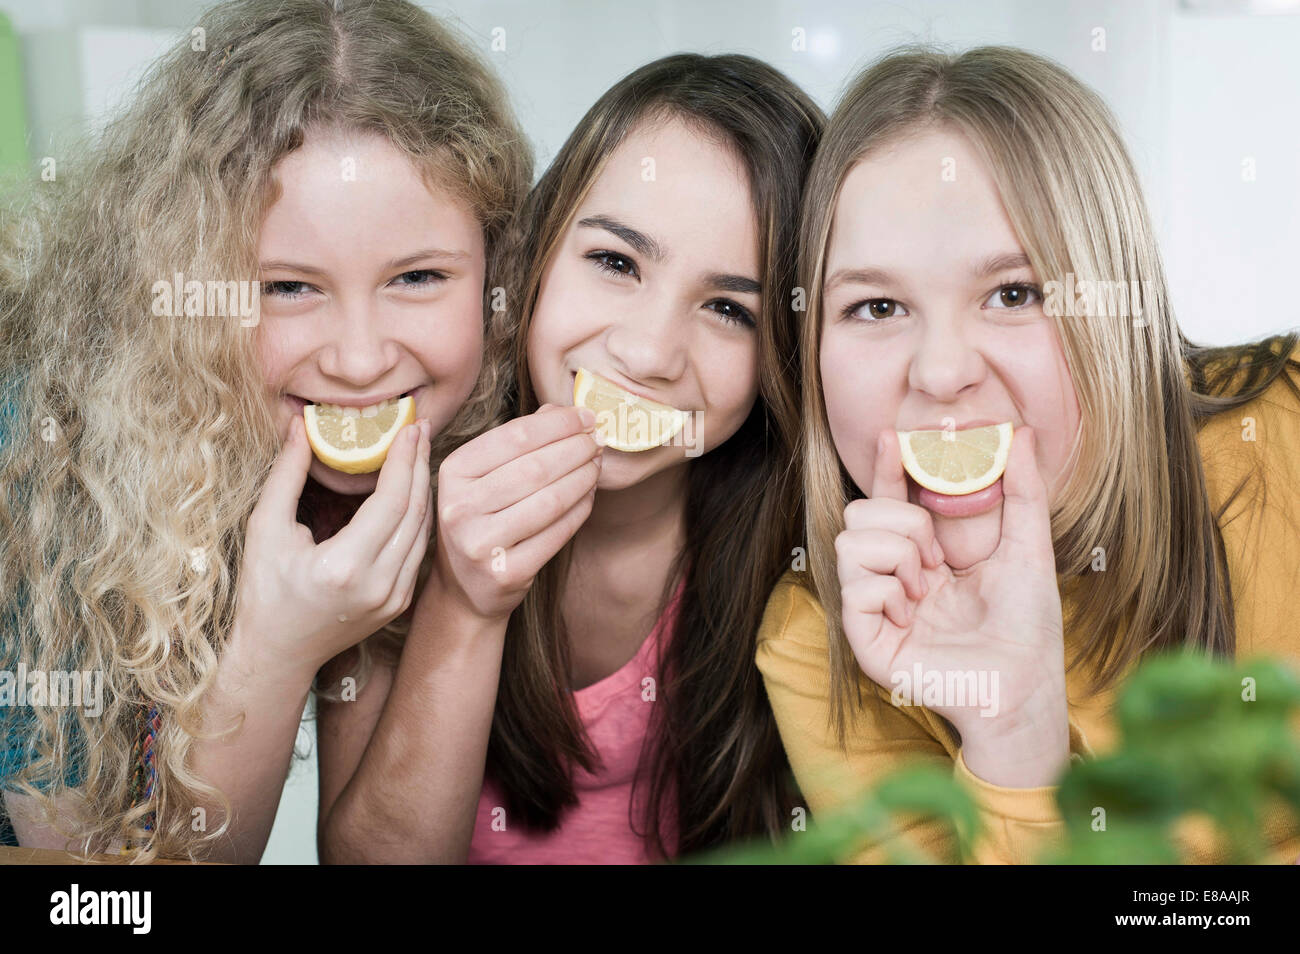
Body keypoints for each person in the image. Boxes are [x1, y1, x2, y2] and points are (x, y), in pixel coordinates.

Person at [0, 0, 530, 862]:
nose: (360, 362)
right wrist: (277, 648)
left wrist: (459, 603)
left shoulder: (417, 463)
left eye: (420, 277)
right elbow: (106, 902)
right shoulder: (43, 461)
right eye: (287, 289)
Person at [757, 44, 1300, 864]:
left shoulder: (1282, 435)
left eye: (1015, 294)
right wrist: (1012, 727)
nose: (941, 373)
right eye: (876, 306)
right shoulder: (816, 642)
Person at [318, 53, 824, 863]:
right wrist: (464, 602)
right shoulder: (386, 503)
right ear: (537, 254)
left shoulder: (815, 558)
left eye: (729, 308)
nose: (648, 351)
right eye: (617, 263)